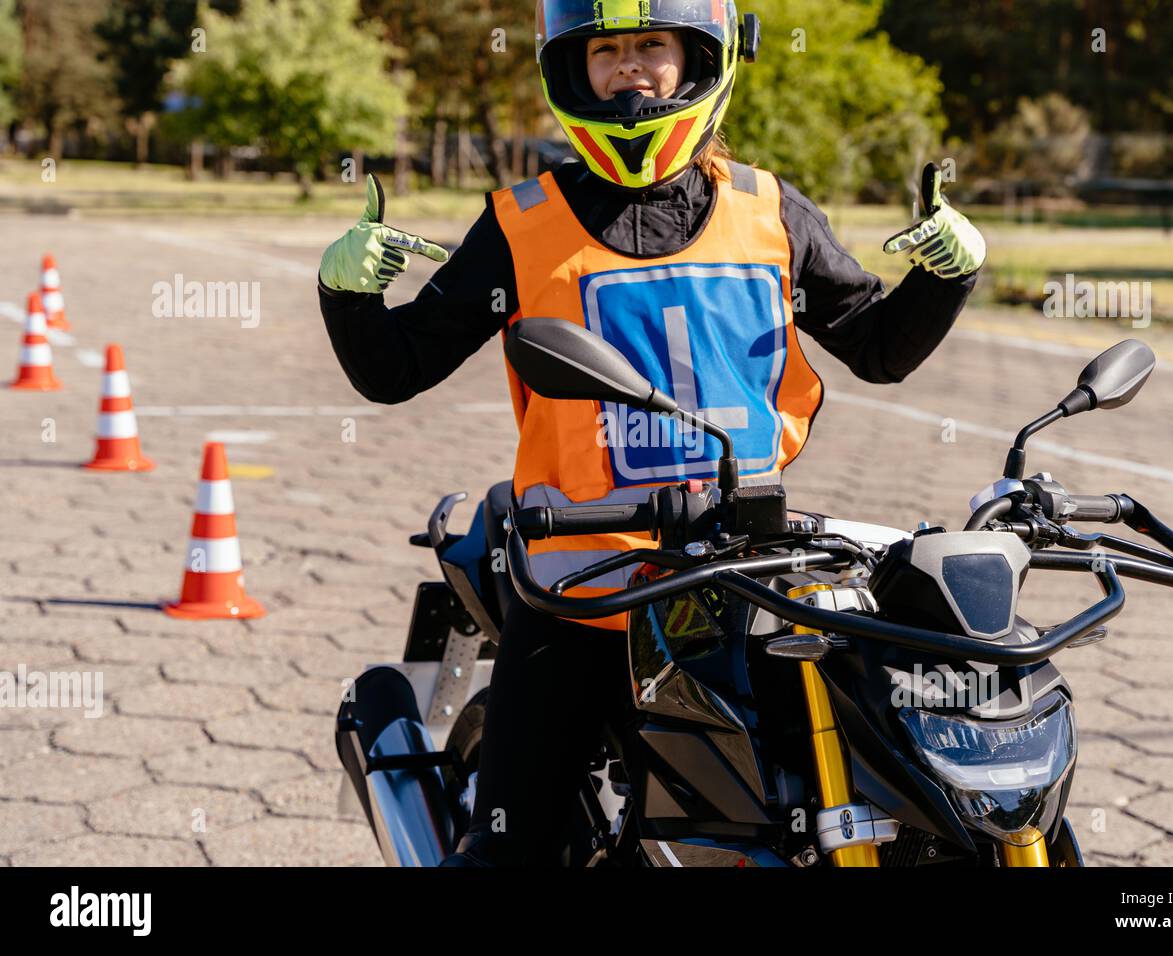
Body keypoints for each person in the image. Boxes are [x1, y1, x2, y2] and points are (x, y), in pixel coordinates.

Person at [318, 0, 986, 866]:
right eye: (607, 51)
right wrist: (350, 295)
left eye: (652, 45)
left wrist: (945, 278)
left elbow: (880, 348)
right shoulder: (524, 221)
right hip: (579, 587)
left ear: (699, 57)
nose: (630, 68)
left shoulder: (771, 210)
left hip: (745, 580)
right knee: (513, 848)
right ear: (571, 68)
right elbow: (395, 371)